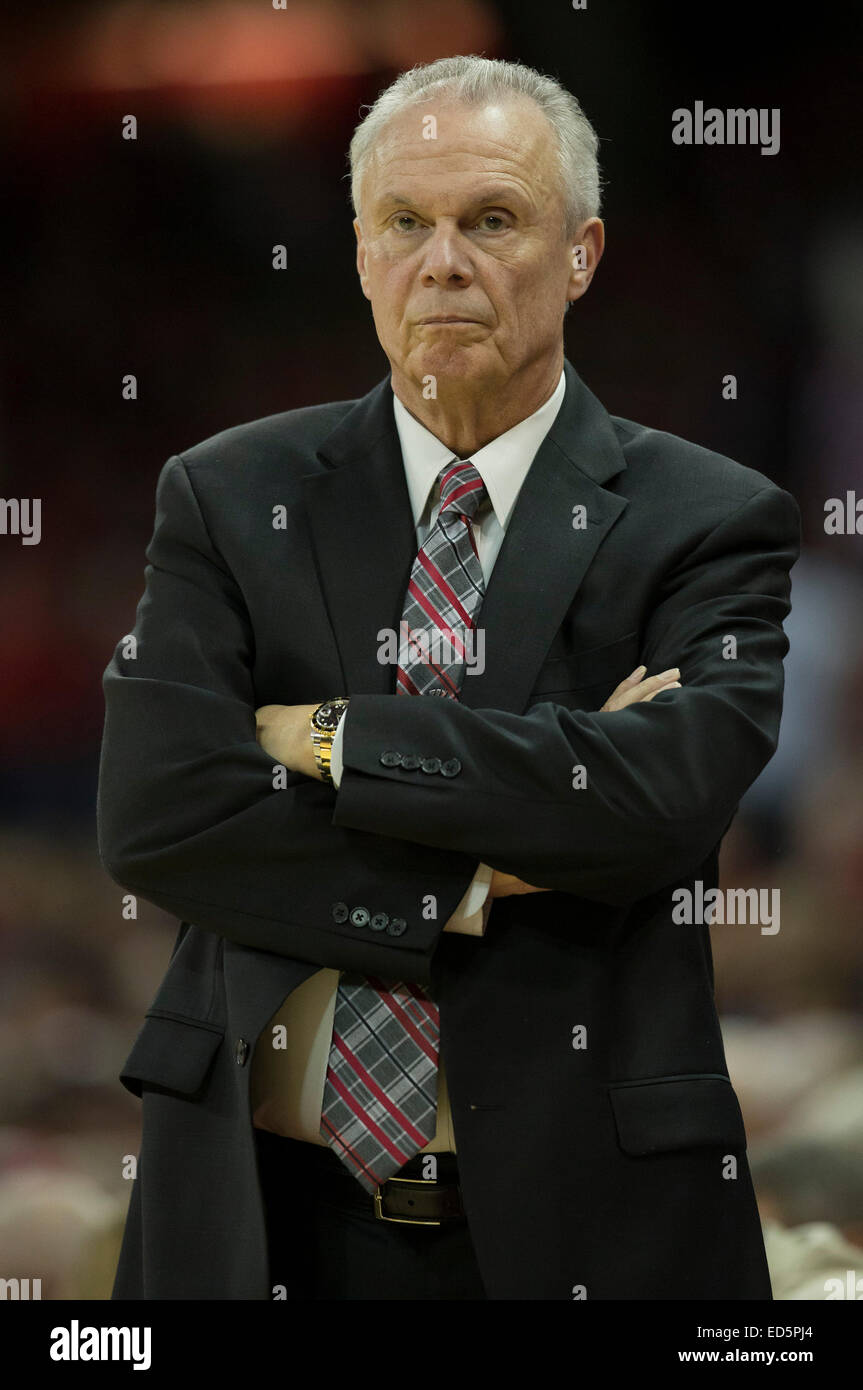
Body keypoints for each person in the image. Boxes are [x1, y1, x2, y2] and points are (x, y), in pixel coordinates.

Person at [97, 55, 800, 1300]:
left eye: (490, 220)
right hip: (260, 1210)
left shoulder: (709, 518)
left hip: (586, 1215)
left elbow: (658, 804)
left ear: (579, 253)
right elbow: (159, 814)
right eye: (404, 224)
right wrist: (488, 867)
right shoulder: (226, 492)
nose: (443, 262)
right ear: (361, 251)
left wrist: (323, 741)